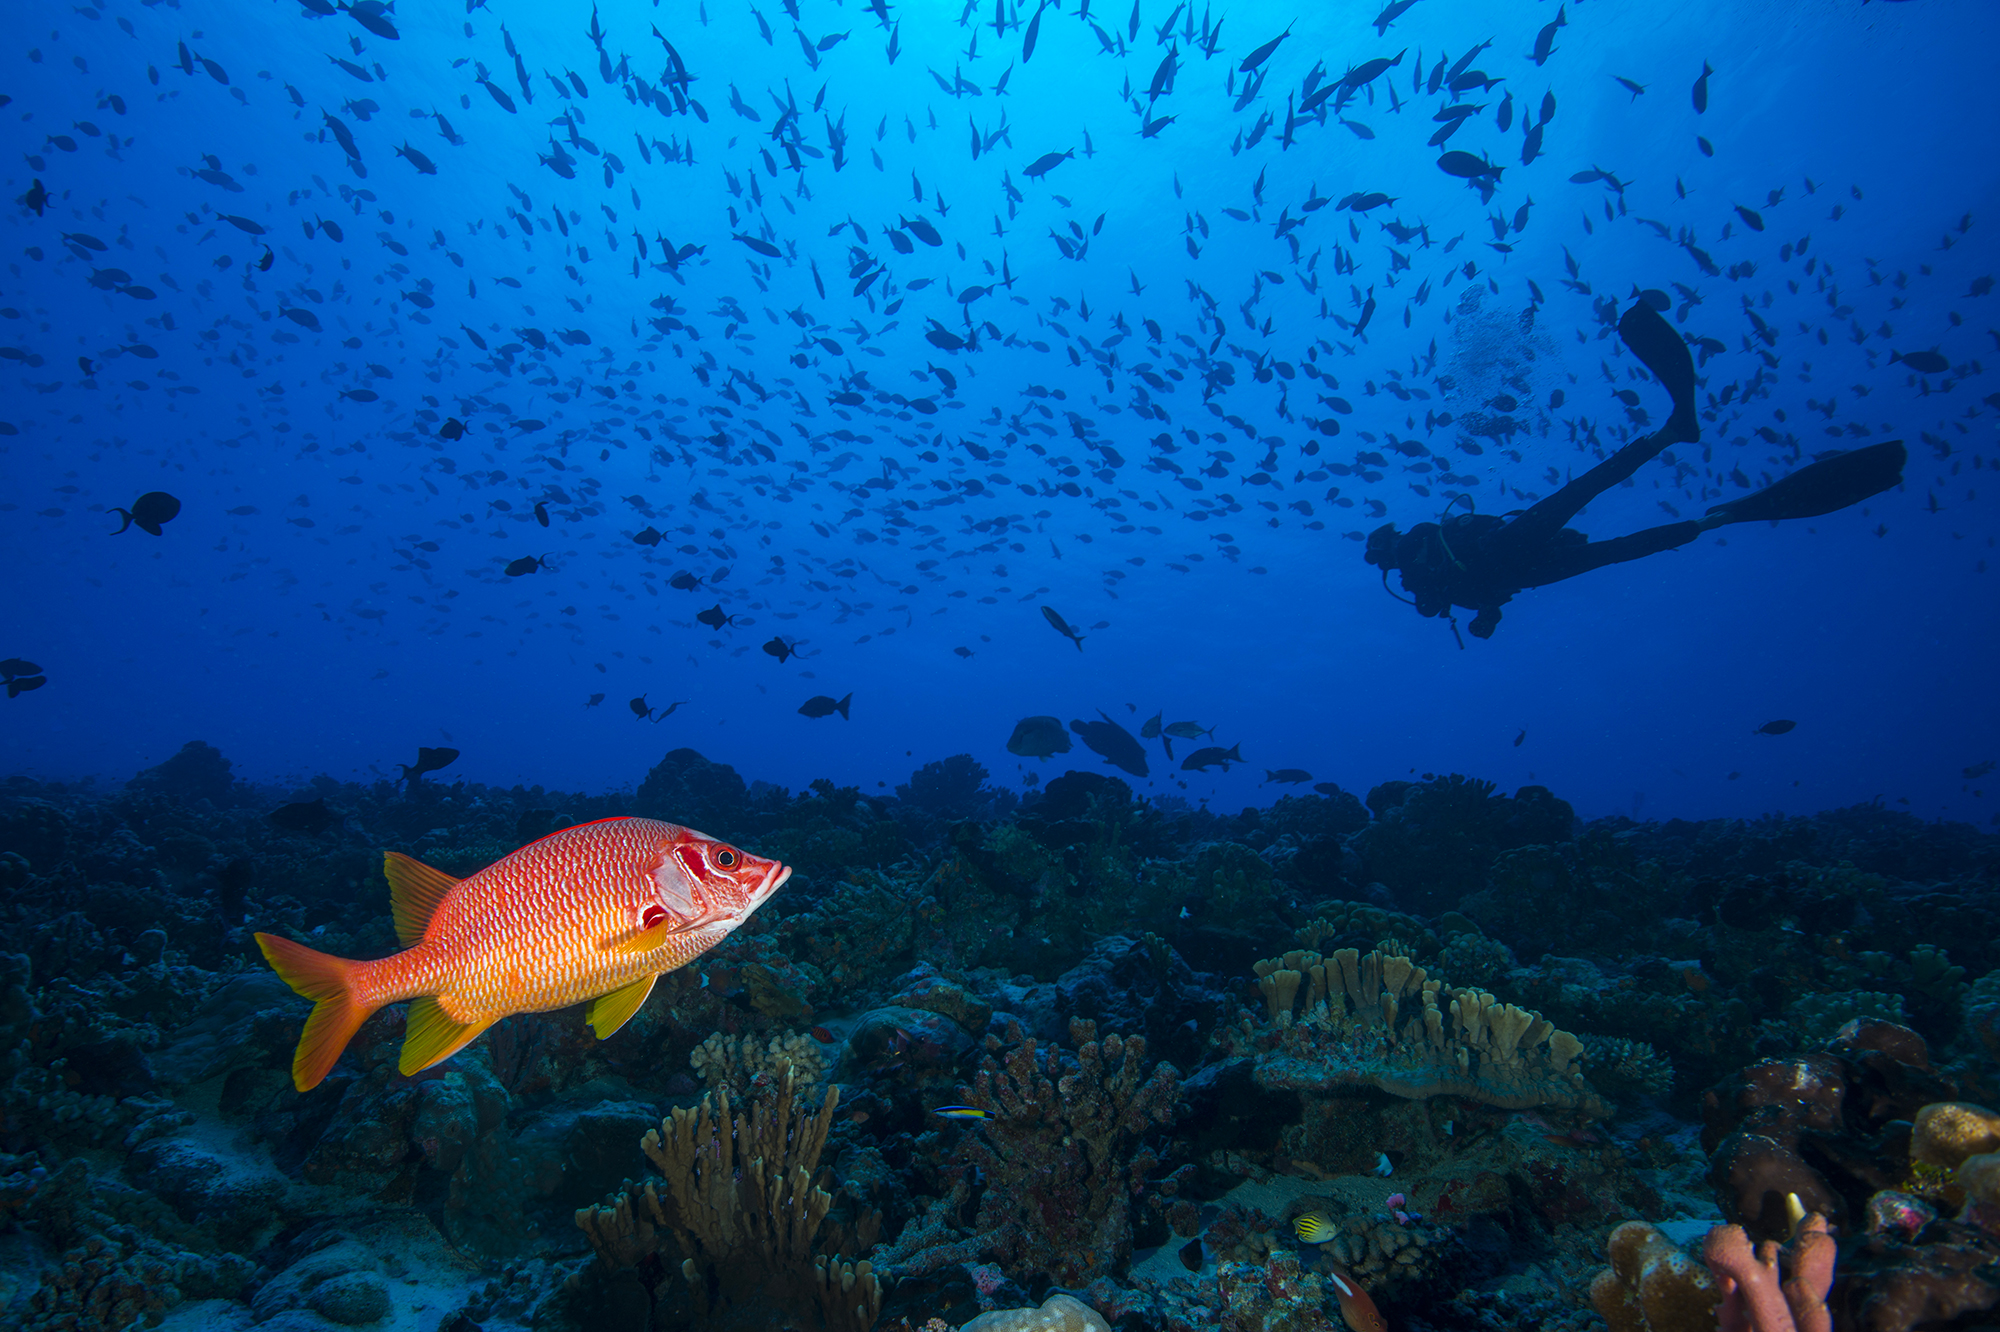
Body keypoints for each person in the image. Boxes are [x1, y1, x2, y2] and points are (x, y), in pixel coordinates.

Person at [1363, 299, 1907, 640]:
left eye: (1382, 549)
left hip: (1519, 566)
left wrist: (1480, 612)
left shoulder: (1414, 563)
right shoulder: (1420, 551)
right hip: (1518, 557)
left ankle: (1706, 514)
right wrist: (1485, 613)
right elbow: (1463, 577)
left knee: (1616, 543)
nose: (1388, 550)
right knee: (1589, 491)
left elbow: (1446, 601)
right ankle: (1675, 441)